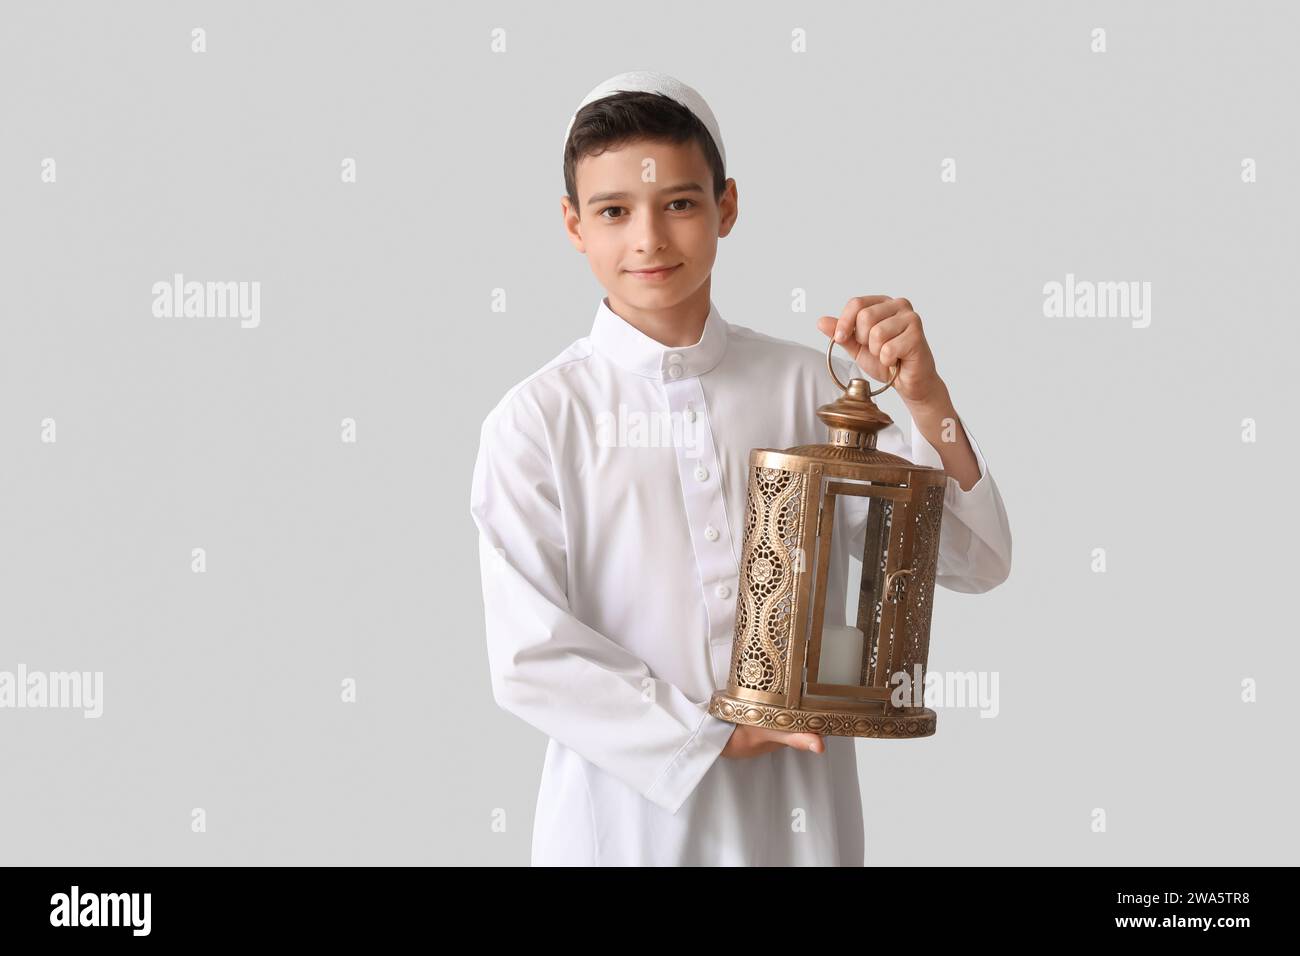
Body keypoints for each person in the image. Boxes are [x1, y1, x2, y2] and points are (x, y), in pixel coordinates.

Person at [469, 71, 1012, 865]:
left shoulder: (809, 387)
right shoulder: (539, 420)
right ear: (573, 224)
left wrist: (928, 400)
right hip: (622, 827)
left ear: (726, 207)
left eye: (678, 204)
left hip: (799, 818)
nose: (648, 239)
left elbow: (977, 559)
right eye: (614, 211)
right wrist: (708, 736)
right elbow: (530, 655)